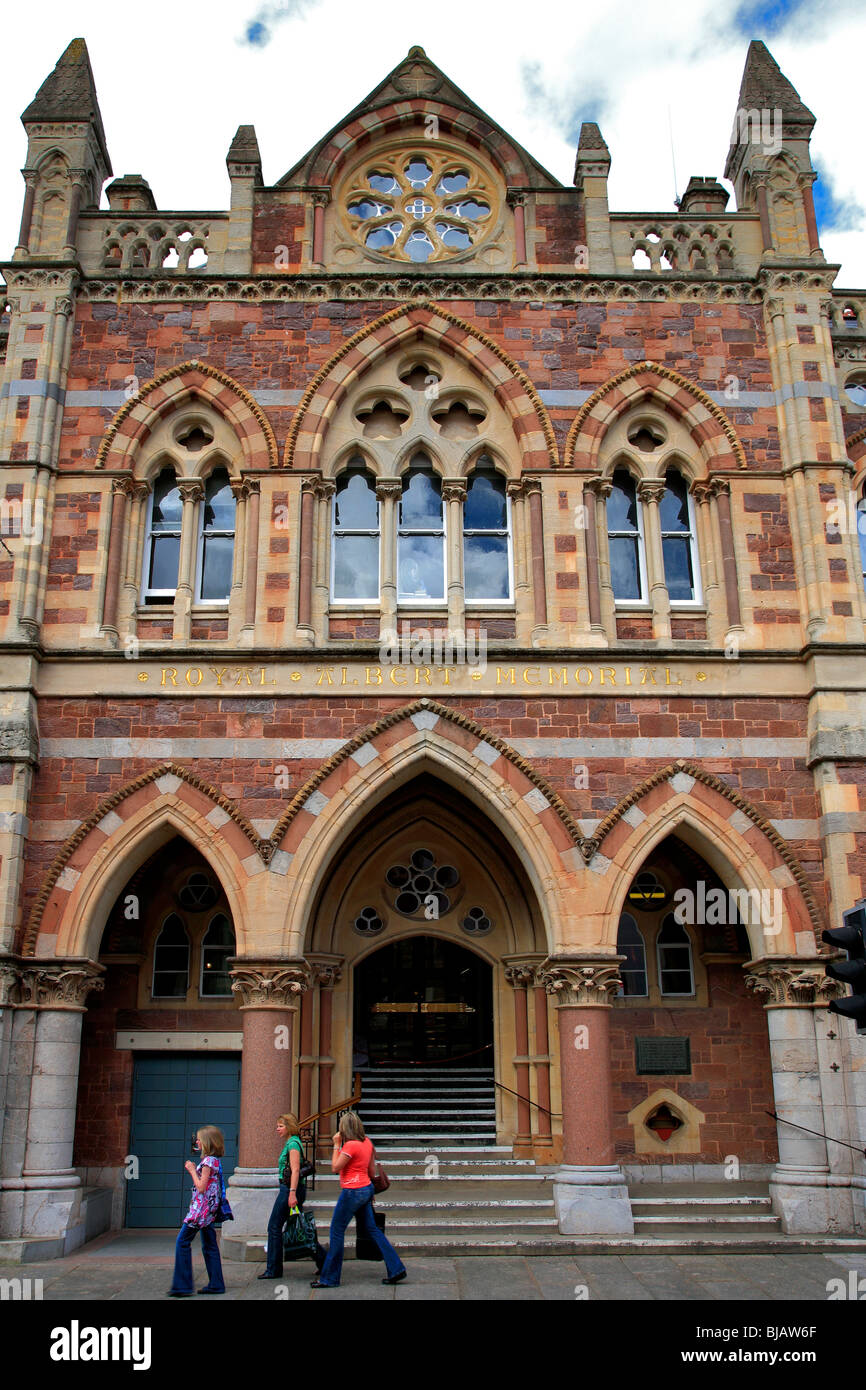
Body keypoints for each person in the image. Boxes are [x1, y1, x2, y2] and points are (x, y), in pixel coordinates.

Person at [310, 1111, 406, 1289]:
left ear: (344, 1128)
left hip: (352, 1191)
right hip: (365, 1189)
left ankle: (329, 1278)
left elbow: (335, 1167)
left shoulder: (350, 1146)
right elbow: (370, 1172)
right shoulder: (367, 1142)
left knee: (337, 1231)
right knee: (373, 1230)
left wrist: (336, 1145)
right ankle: (396, 1268)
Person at [258, 1112, 323, 1279]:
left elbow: (295, 1170)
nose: (277, 1129)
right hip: (291, 1189)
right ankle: (324, 1262)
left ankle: (273, 1268)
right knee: (302, 1227)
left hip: (289, 1189)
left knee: (274, 1226)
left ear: (289, 1127)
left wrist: (292, 1193)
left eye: (280, 1126)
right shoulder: (292, 1143)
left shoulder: (293, 1144)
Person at [167, 1124, 226, 1297]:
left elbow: (201, 1187)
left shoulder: (207, 1162)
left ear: (206, 1142)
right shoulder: (215, 1161)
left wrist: (193, 1170)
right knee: (210, 1245)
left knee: (182, 1242)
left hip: (200, 1211)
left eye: (199, 1139)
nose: (197, 1141)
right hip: (209, 1210)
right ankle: (216, 1283)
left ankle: (182, 1286)